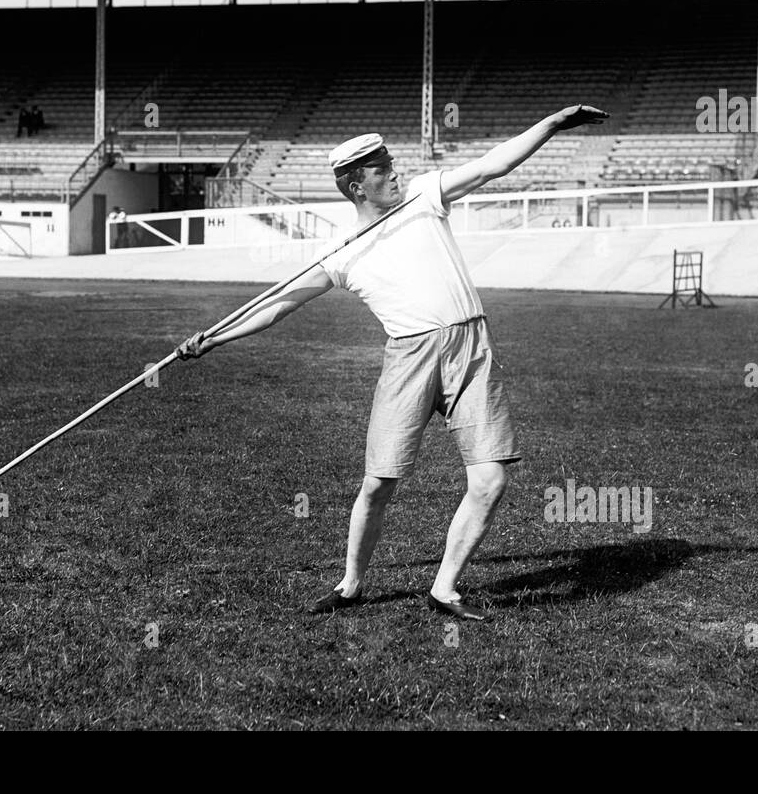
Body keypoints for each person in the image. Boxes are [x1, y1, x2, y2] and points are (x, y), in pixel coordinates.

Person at [176, 105, 607, 621]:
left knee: (490, 480)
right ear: (358, 186)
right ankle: (351, 584)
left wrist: (553, 124)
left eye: (392, 164)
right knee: (379, 483)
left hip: (471, 347)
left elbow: (494, 164)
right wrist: (214, 338)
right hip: (409, 357)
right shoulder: (338, 251)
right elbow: (278, 305)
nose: (397, 173)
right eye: (383, 171)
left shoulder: (426, 195)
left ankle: (444, 589)